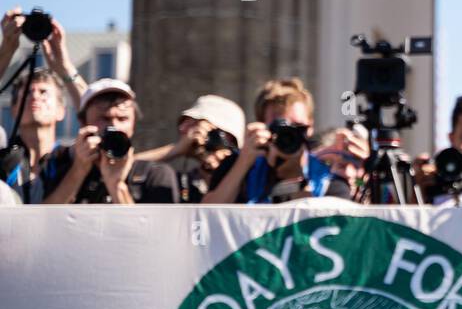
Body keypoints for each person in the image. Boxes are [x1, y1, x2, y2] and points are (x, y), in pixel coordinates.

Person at [205, 78, 351, 204]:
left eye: (298, 127)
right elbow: (205, 216)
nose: (289, 135)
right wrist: (243, 162)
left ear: (310, 127)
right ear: (263, 127)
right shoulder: (239, 167)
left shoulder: (327, 177)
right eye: (280, 128)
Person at [41, 79, 180, 204]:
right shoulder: (57, 161)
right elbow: (43, 222)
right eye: (104, 118)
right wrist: (79, 170)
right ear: (83, 123)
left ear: (133, 124)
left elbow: (154, 232)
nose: (114, 126)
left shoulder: (155, 174)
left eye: (122, 119)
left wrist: (117, 185)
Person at [135, 94, 245, 203]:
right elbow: (124, 168)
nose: (182, 129)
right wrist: (175, 150)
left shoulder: (248, 178)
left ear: (224, 135)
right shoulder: (182, 181)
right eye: (183, 123)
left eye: (193, 124)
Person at [4, 69, 67, 203]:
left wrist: (64, 66)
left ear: (61, 111)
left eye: (43, 92)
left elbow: (95, 115)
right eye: (27, 92)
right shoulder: (4, 159)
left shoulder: (71, 160)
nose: (35, 96)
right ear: (14, 110)